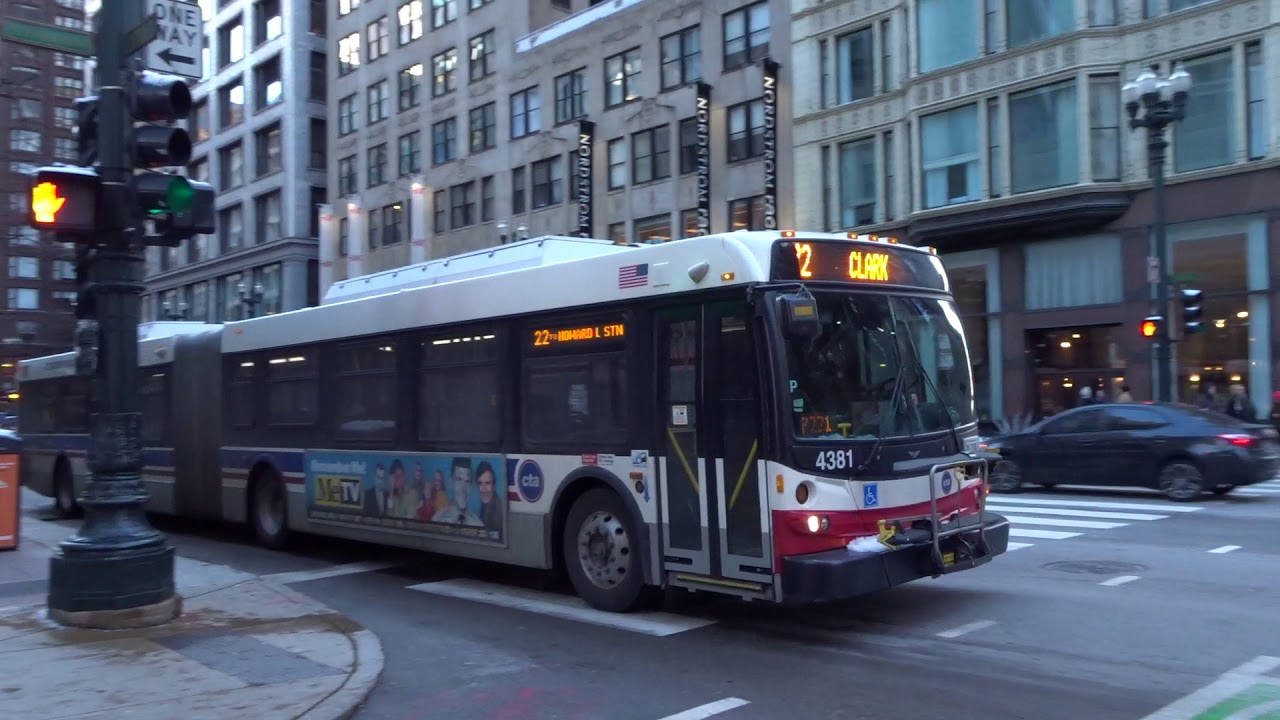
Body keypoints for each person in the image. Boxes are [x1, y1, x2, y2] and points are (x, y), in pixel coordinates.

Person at [432, 457, 483, 526]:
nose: (463, 488)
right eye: (459, 479)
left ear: (471, 487)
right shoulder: (437, 518)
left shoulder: (478, 524)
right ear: (450, 482)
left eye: (467, 481)